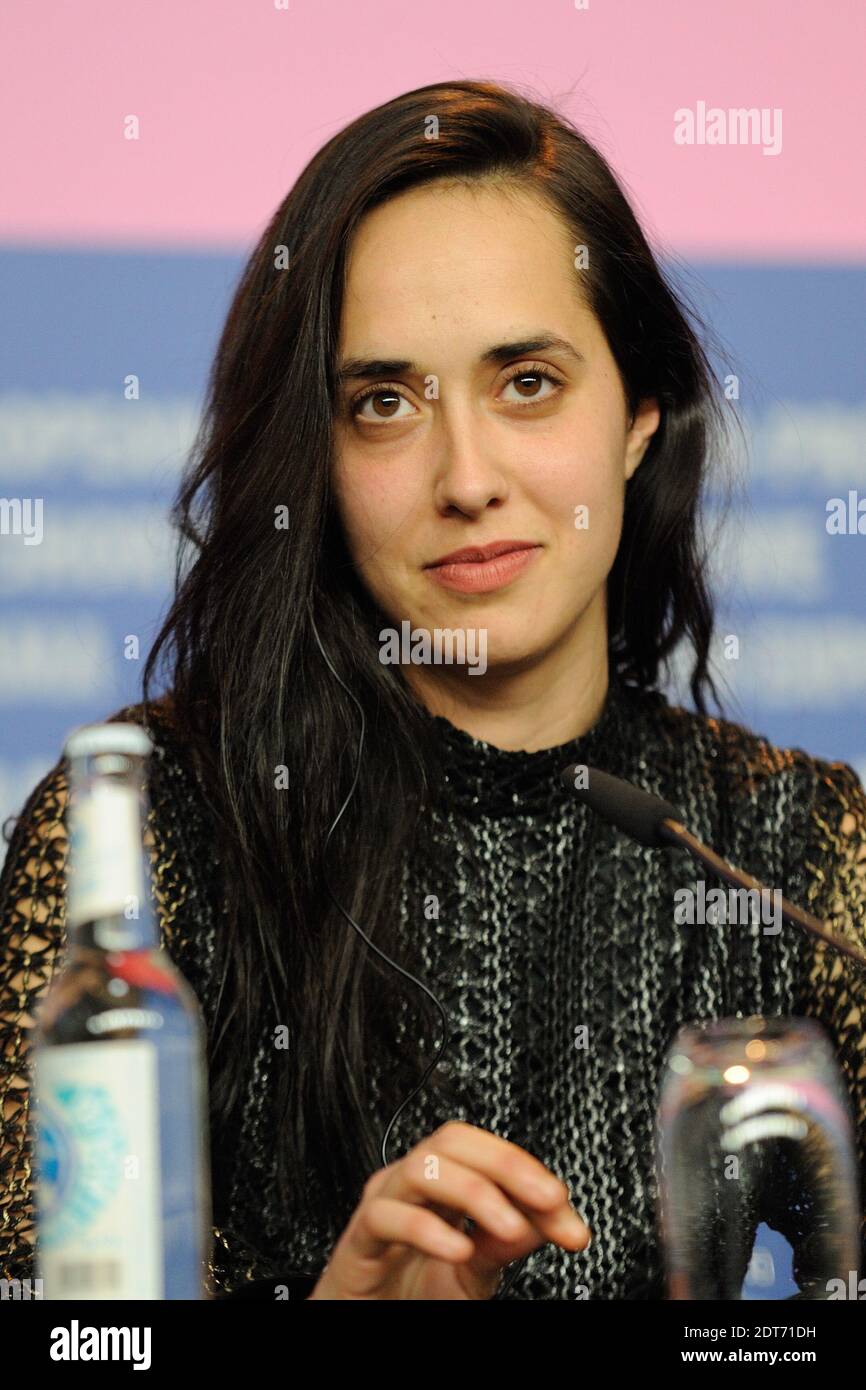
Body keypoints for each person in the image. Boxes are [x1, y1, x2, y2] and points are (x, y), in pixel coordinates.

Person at [2, 79, 865, 1302]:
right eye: (384, 403)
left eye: (526, 382)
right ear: (315, 455)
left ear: (638, 414)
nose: (465, 477)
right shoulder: (146, 841)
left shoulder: (781, 854)